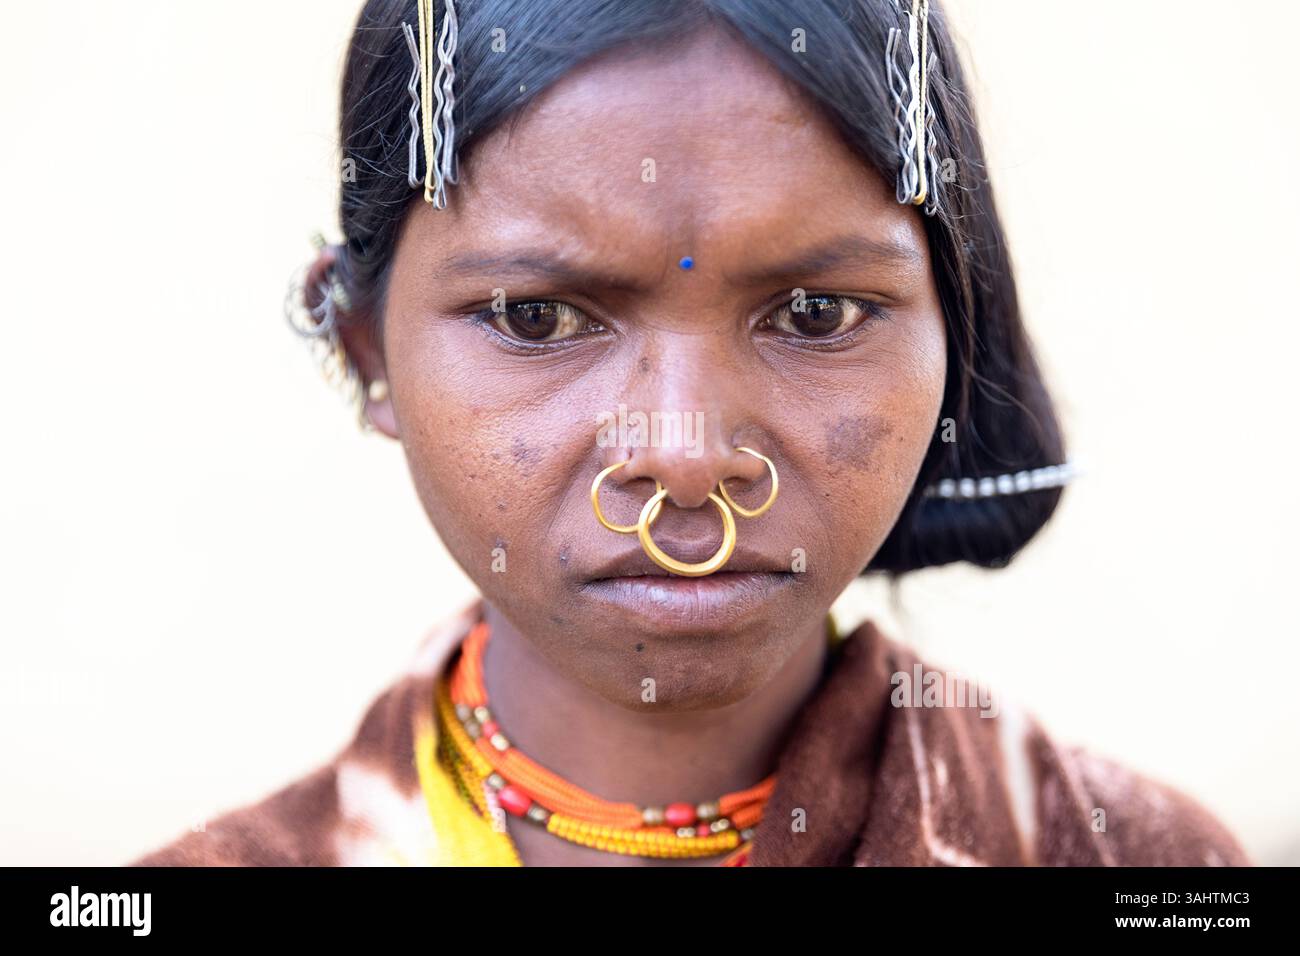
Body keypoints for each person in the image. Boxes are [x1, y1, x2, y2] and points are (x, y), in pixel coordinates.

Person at [128, 0, 1250, 867]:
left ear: (951, 333)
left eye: (816, 315)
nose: (684, 453)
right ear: (366, 349)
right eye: (538, 318)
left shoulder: (1126, 856)